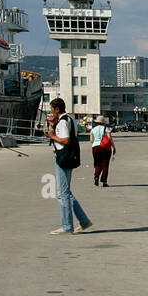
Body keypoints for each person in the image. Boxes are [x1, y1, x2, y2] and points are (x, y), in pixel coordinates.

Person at [46, 98, 93, 235]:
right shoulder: (70, 119)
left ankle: (67, 226)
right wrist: (53, 125)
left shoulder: (63, 122)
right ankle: (83, 221)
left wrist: (53, 136)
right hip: (69, 157)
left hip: (62, 157)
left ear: (57, 109)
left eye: (52, 109)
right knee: (66, 191)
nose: (51, 112)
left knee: (63, 194)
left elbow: (65, 140)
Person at [90, 116, 114, 187]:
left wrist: (96, 143)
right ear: (103, 122)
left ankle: (96, 176)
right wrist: (114, 147)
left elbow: (91, 140)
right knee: (105, 164)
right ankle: (104, 181)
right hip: (105, 147)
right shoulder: (106, 128)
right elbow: (109, 138)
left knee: (97, 163)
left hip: (95, 147)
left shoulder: (93, 130)